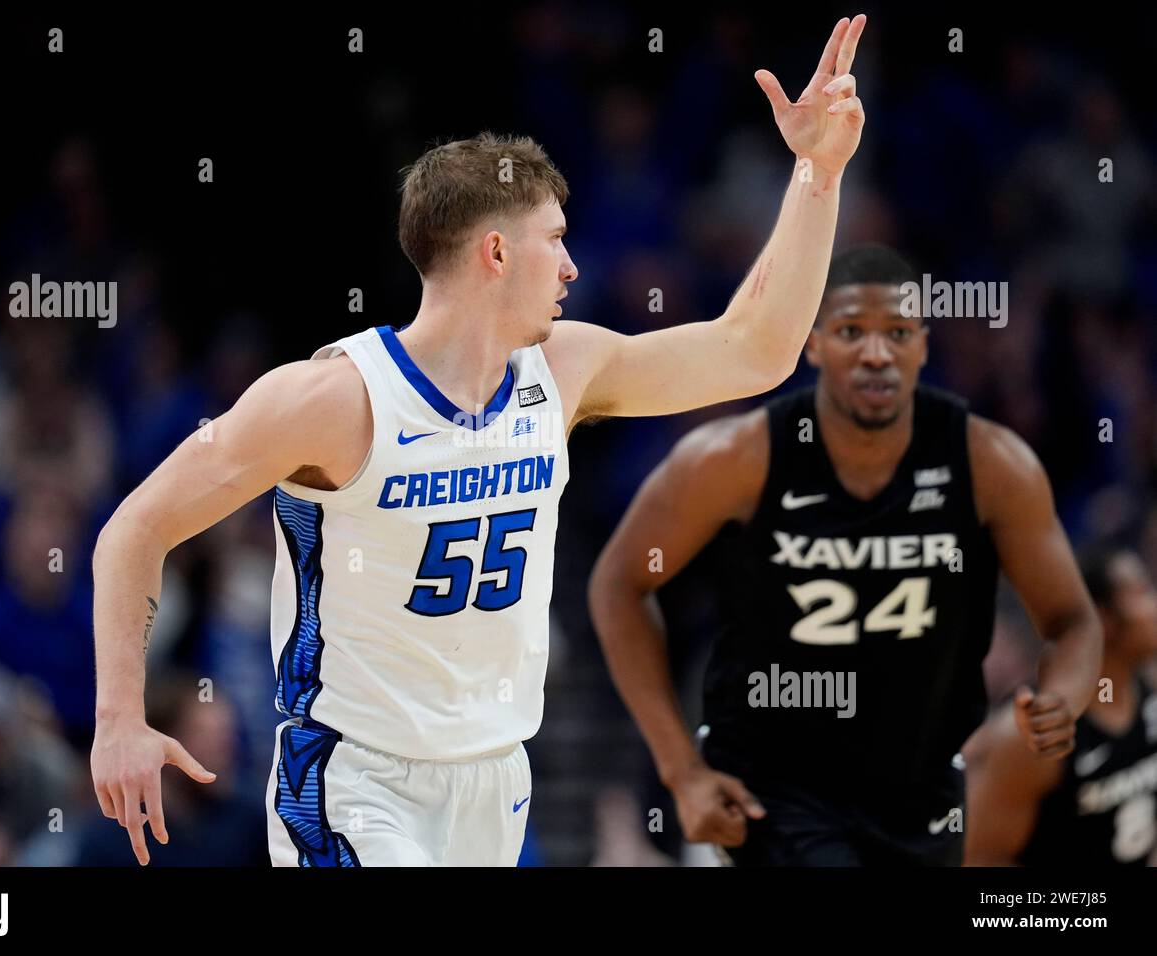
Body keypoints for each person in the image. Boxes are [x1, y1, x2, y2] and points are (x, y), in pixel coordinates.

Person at [90, 14, 868, 867]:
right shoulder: (335, 399)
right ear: (496, 252)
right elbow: (136, 529)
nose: (574, 268)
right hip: (357, 779)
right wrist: (120, 720)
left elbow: (755, 349)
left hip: (495, 780)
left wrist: (818, 173)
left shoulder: (563, 370)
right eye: (557, 241)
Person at [588, 243, 1102, 866]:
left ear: (923, 344)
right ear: (814, 344)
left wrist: (1063, 697)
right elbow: (619, 583)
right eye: (852, 331)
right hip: (774, 787)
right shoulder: (737, 459)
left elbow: (1072, 621)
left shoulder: (991, 465)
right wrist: (681, 769)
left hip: (922, 791)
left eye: (897, 333)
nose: (876, 352)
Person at [964, 544, 1157, 866]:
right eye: (1140, 593)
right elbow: (979, 858)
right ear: (1102, 619)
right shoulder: (1030, 735)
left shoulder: (1148, 689)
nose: (1154, 606)